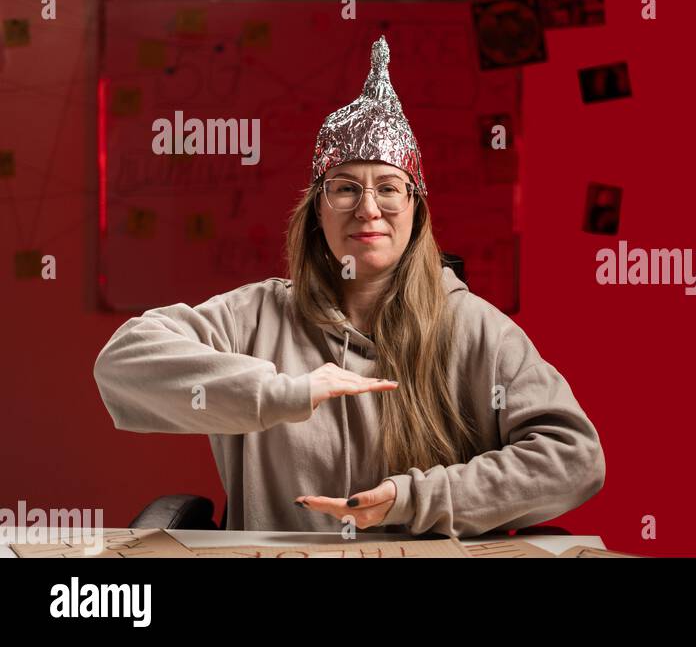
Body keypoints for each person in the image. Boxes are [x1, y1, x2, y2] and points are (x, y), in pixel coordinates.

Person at [93, 36, 605, 538]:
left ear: (415, 210)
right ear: (319, 209)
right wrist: (283, 392)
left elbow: (574, 457)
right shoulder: (255, 315)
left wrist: (415, 499)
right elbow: (122, 364)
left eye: (387, 188)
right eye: (345, 188)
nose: (367, 208)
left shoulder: (474, 327)